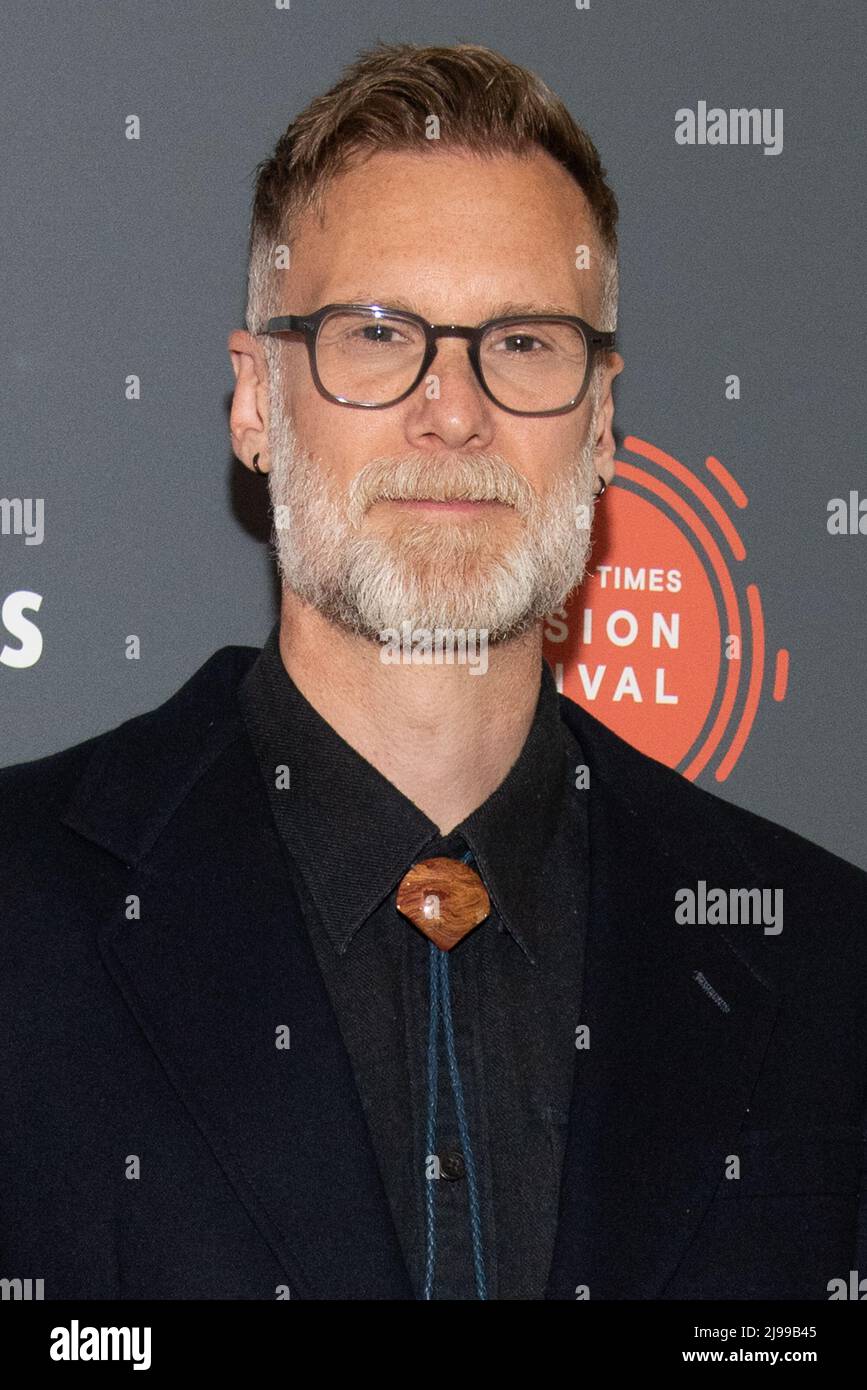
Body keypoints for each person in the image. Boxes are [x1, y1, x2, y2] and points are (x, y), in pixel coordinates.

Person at [2, 40, 865, 1303]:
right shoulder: (22, 915)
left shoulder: (824, 964)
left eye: (521, 342)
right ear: (255, 401)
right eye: (376, 333)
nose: (453, 410)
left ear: (605, 416)